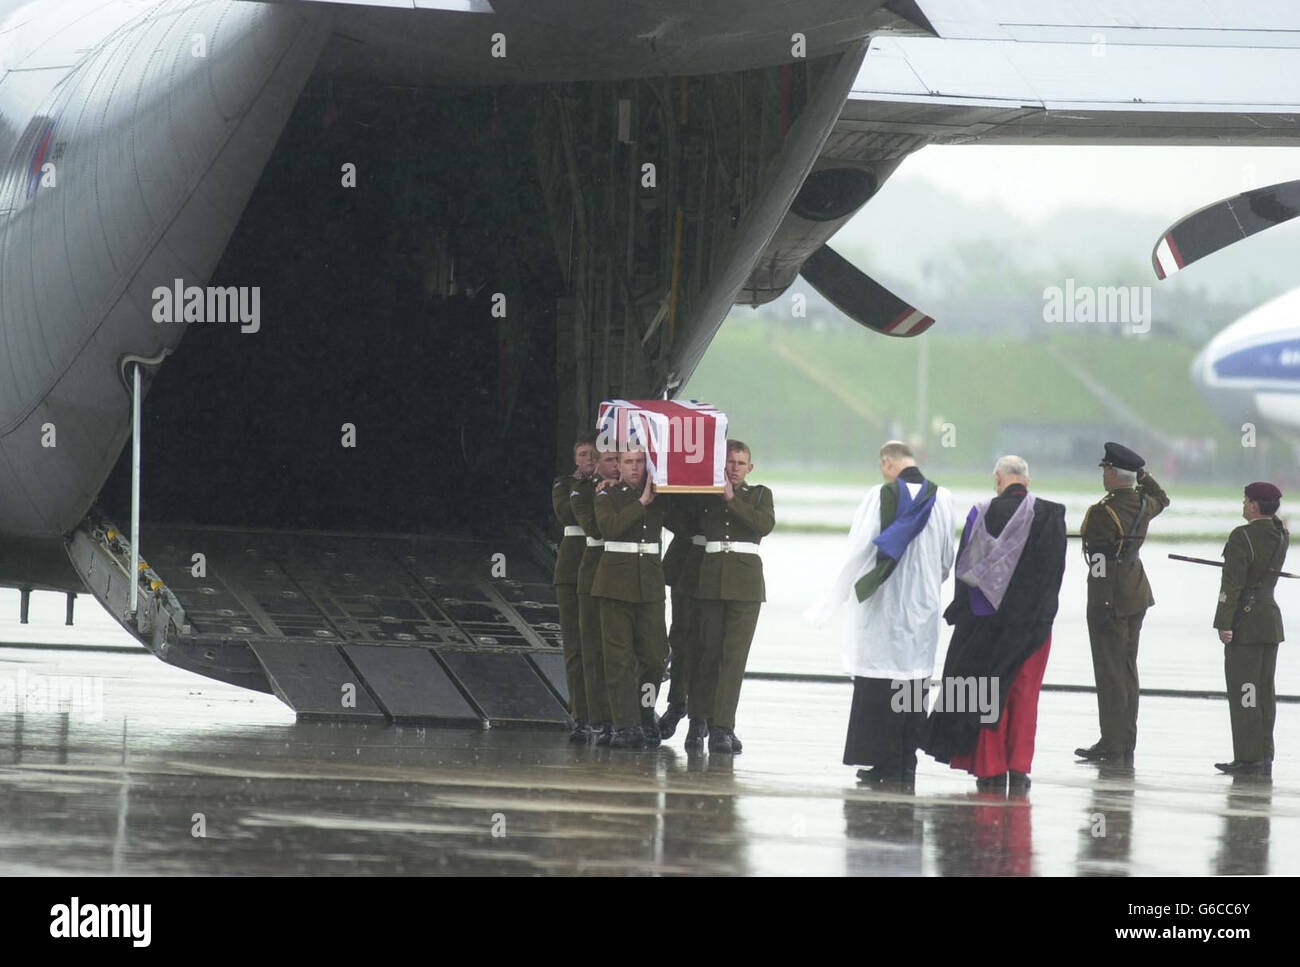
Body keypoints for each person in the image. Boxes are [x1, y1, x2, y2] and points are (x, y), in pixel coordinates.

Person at [806, 441, 955, 783]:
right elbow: (948, 557)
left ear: (888, 463)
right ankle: (906, 760)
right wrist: (929, 585)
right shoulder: (943, 498)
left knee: (879, 683)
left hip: (884, 605)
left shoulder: (880, 495)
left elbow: (858, 550)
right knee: (913, 683)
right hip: (923, 607)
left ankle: (881, 762)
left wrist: (836, 597)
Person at [923, 456, 1066, 792]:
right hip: (1033, 626)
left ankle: (990, 766)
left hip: (988, 625)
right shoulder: (1050, 516)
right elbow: (1054, 575)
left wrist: (963, 613)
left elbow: (964, 570)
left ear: (998, 478)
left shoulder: (981, 512)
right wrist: (1041, 618)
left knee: (988, 694)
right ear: (1027, 481)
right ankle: (1019, 768)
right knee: (1025, 696)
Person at [1075, 442, 1169, 765]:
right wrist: (1143, 474)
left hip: (1111, 597)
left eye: (1106, 469)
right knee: (1128, 669)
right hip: (1136, 591)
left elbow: (1099, 562)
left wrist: (1101, 604)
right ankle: (1125, 739)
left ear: (1114, 473)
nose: (1104, 474)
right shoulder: (1143, 502)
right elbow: (1163, 497)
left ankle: (1113, 744)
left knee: (1111, 672)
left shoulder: (1105, 512)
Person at [690, 441, 775, 754]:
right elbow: (683, 522)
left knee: (734, 659)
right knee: (707, 654)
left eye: (741, 463)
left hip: (746, 585)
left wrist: (731, 499)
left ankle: (722, 727)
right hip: (711, 581)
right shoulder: (704, 496)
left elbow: (763, 524)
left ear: (750, 468)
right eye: (730, 462)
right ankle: (698, 720)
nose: (735, 468)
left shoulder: (760, 495)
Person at [592, 448, 669, 748]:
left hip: (649, 583)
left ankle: (645, 710)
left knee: (654, 656)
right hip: (614, 583)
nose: (635, 468)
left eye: (639, 462)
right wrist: (641, 503)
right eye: (628, 462)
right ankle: (625, 725)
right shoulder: (606, 496)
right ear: (619, 467)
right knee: (618, 658)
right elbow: (608, 528)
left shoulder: (661, 496)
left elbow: (685, 523)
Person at [1213, 482, 1289, 777]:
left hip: (1245, 622)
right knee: (1264, 692)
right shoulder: (1280, 532)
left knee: (1245, 691)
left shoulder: (1242, 536)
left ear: (1255, 506)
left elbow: (1231, 586)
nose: (1243, 506)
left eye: (1246, 501)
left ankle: (1248, 757)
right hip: (1269, 621)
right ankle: (1263, 753)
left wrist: (1224, 622)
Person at [571, 446, 621, 745]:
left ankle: (622, 715)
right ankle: (594, 717)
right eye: (609, 460)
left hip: (621, 573)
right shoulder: (585, 490)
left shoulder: (629, 491)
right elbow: (595, 528)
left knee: (620, 650)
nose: (614, 465)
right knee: (591, 649)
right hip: (593, 570)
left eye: (619, 459)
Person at [552, 433, 597, 741]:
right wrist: (581, 487)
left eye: (593, 455)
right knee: (575, 646)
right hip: (571, 568)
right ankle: (578, 712)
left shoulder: (604, 488)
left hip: (597, 567)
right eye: (582, 455)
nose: (588, 461)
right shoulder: (564, 485)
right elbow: (567, 514)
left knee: (597, 643)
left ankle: (599, 711)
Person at [658, 493, 705, 740]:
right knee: (680, 641)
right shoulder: (685, 485)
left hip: (720, 568)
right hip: (685, 564)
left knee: (711, 645)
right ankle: (676, 705)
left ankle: (703, 716)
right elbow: (668, 515)